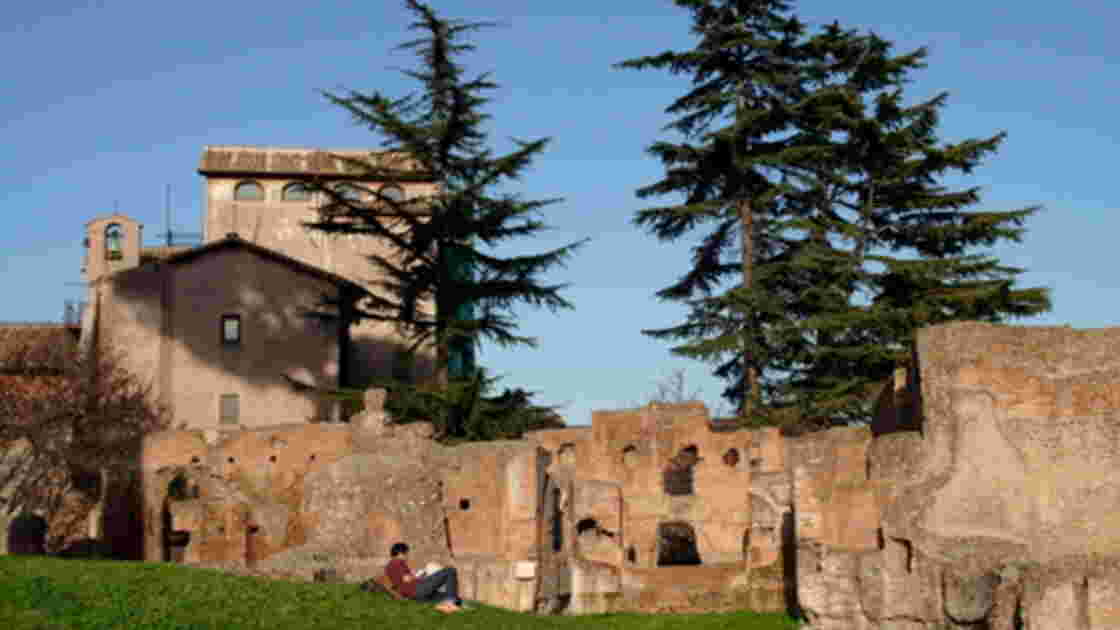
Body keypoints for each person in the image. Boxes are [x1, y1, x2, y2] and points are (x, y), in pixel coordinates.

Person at [384, 542, 462, 613]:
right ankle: (449, 604)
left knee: (453, 598)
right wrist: (419, 575)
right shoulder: (397, 562)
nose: (407, 556)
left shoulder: (390, 565)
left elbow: (402, 580)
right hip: (418, 589)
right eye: (406, 554)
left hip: (414, 595)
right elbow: (406, 579)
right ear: (401, 553)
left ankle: (447, 604)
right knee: (450, 570)